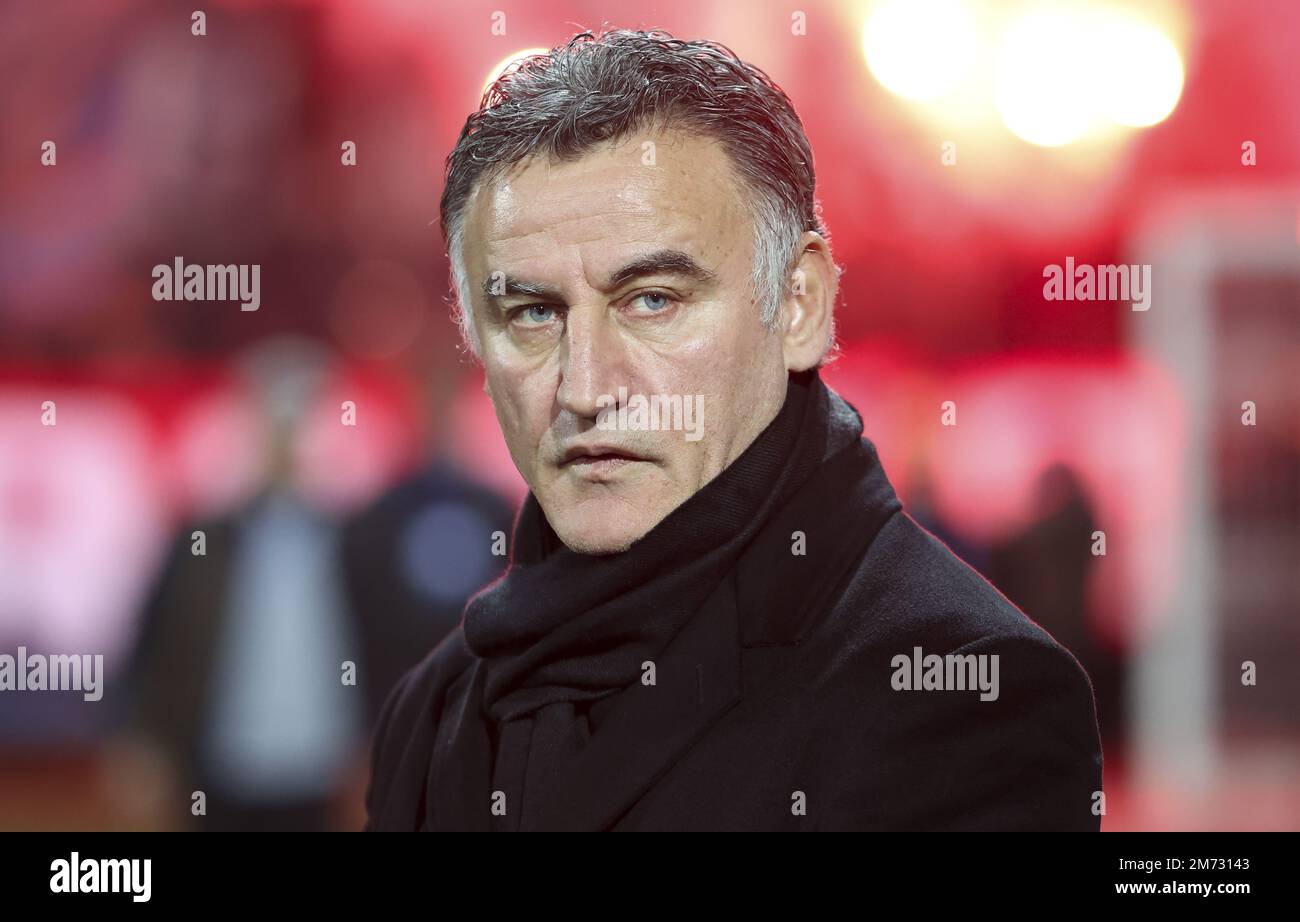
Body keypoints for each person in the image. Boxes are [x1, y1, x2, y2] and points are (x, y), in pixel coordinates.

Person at [365, 29, 1103, 831]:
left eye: (653, 299)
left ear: (800, 306)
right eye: (534, 314)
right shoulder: (431, 713)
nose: (586, 388)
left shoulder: (967, 694)